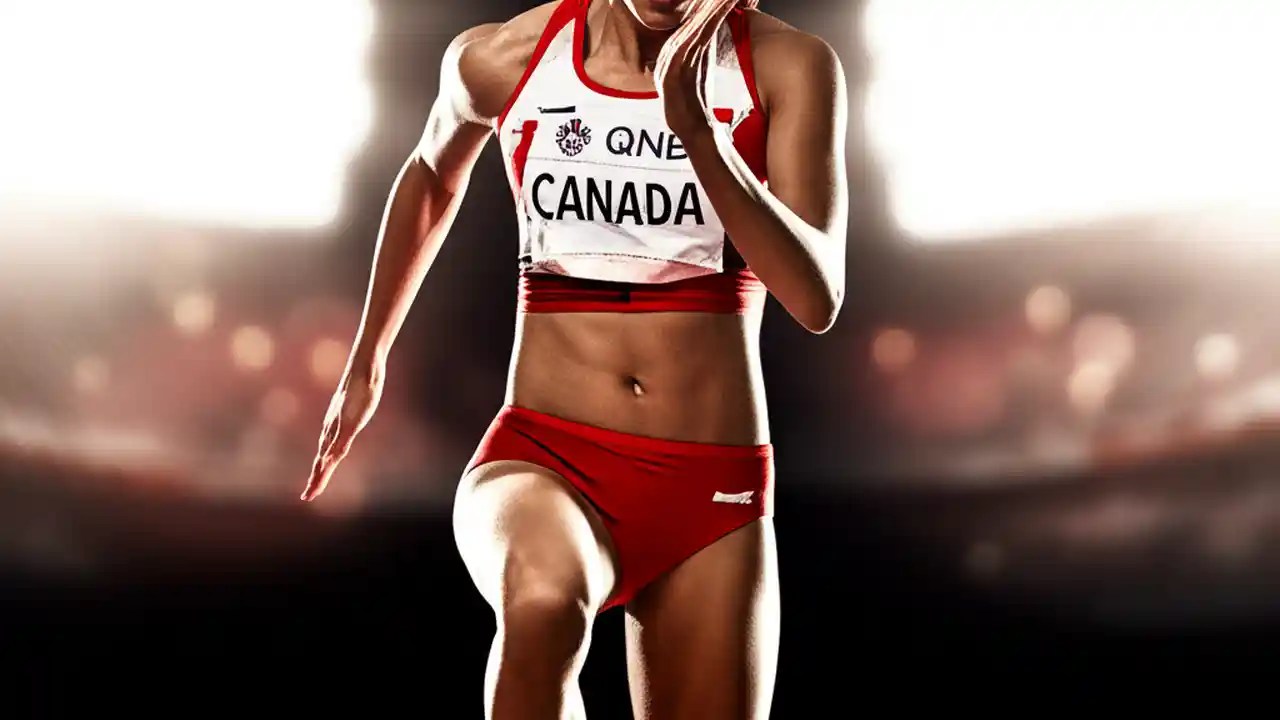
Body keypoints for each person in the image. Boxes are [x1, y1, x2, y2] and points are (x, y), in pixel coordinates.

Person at [302, 0, 847, 716]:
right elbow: (433, 169)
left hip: (711, 491)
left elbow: (816, 298)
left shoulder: (787, 66)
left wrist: (703, 138)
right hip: (546, 457)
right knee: (543, 602)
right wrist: (368, 358)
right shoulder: (509, 56)